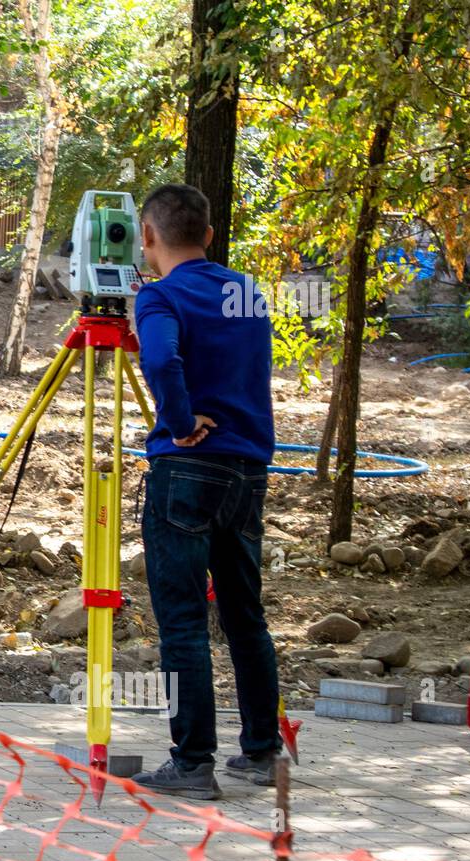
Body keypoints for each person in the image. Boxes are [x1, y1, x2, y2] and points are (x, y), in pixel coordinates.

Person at [128, 184, 280, 801]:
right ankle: (262, 752)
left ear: (147, 237)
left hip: (188, 470)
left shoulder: (158, 296)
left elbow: (163, 363)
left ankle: (193, 764)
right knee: (246, 618)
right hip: (247, 469)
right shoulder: (248, 293)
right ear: (209, 235)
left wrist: (183, 419)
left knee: (184, 621)